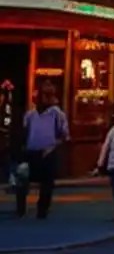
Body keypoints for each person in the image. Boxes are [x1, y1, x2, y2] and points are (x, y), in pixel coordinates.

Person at [16, 82, 68, 219]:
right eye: (43, 95)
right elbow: (24, 132)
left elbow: (64, 135)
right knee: (22, 179)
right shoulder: (30, 115)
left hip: (48, 153)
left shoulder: (57, 115)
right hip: (31, 152)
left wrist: (53, 146)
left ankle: (42, 210)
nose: (45, 98)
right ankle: (20, 209)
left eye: (48, 95)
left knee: (47, 183)